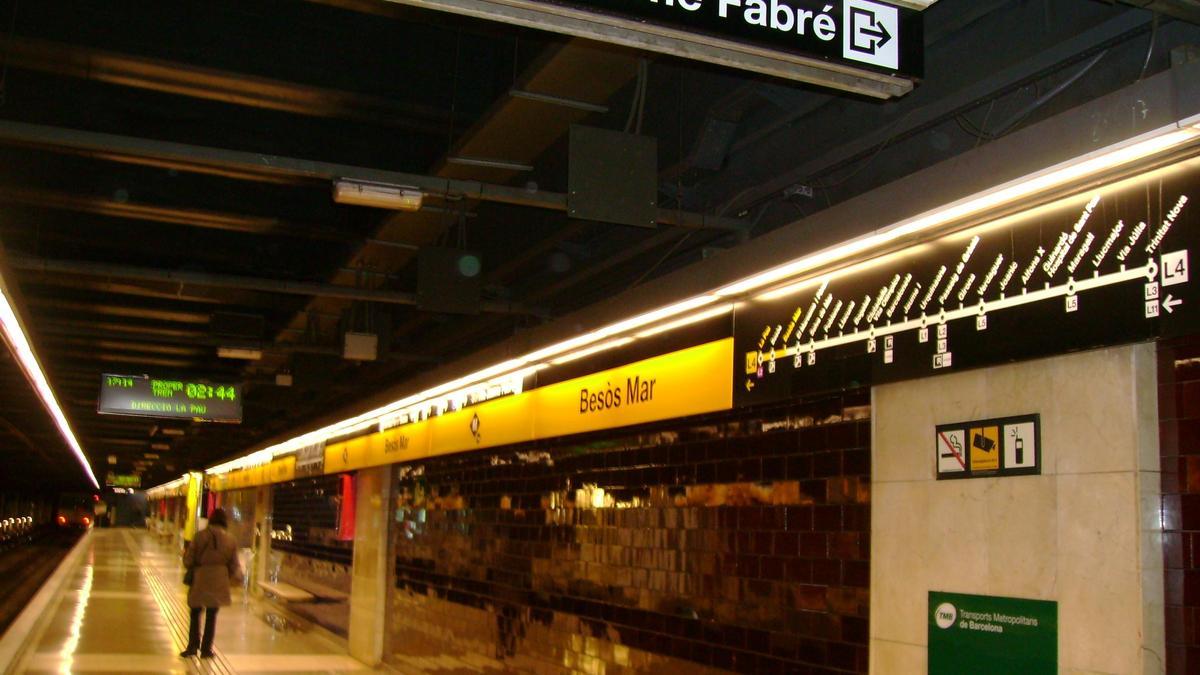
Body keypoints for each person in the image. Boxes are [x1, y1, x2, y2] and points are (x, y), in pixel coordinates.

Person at [180, 508, 242, 658]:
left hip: (200, 578)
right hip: (219, 581)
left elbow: (188, 561)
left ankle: (192, 647)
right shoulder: (231, 540)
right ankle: (206, 650)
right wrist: (239, 578)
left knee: (195, 613)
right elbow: (234, 565)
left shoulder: (199, 536)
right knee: (211, 615)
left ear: (211, 520)